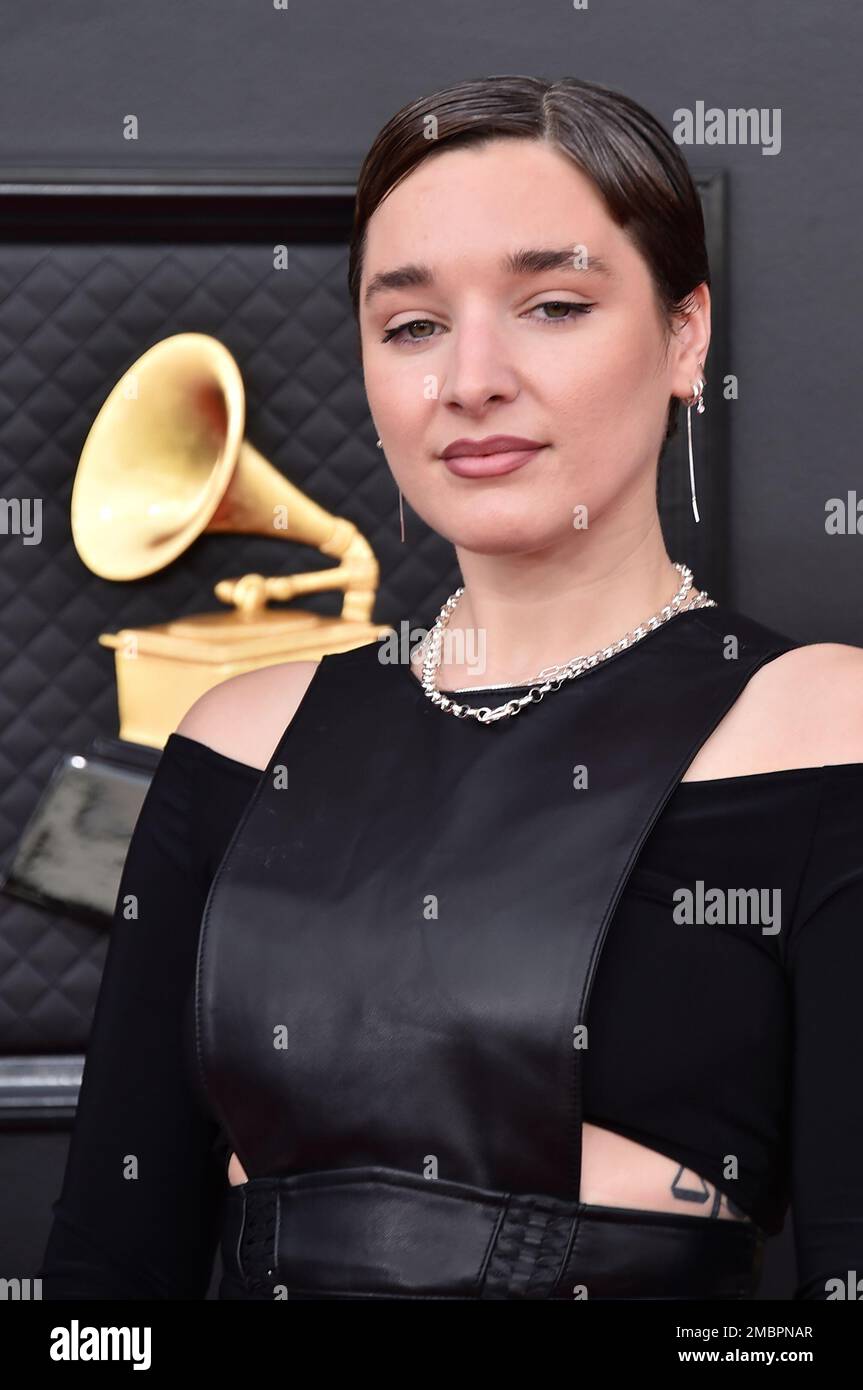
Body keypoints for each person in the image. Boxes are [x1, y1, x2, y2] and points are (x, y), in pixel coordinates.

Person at [39, 74, 863, 1301]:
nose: (468, 380)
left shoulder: (822, 726)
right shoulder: (232, 740)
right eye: (411, 325)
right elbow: (104, 1287)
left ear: (685, 334)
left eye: (551, 304)